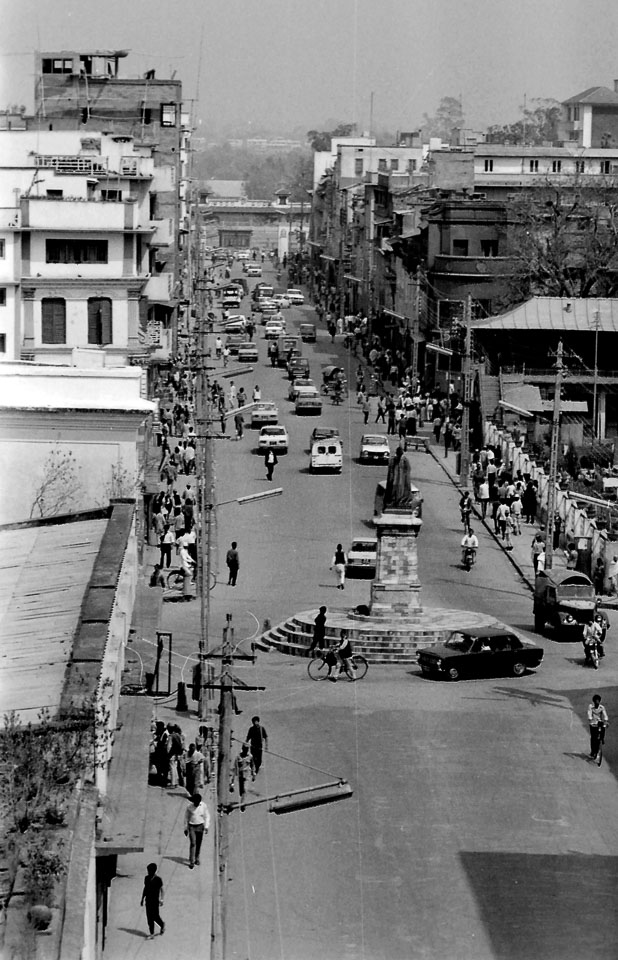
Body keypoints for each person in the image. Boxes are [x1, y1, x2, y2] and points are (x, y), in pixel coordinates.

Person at [184, 793, 210, 868]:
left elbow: (207, 816)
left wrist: (206, 826)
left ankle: (197, 858)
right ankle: (191, 861)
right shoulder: (189, 807)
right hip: (192, 826)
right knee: (193, 843)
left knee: (198, 843)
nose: (196, 804)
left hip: (200, 826)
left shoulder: (203, 806)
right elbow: (186, 817)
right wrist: (185, 828)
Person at [140, 862, 165, 939]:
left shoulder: (158, 880)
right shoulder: (146, 878)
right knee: (149, 917)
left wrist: (162, 899)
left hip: (155, 901)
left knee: (155, 916)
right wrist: (142, 898)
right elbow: (145, 889)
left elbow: (162, 890)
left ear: (154, 871)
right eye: (148, 871)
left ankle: (162, 925)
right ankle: (152, 933)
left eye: (150, 871)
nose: (148, 872)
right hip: (148, 901)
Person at [230, 743, 255, 811]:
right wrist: (232, 781)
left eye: (247, 749)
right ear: (242, 749)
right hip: (241, 776)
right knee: (241, 791)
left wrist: (253, 773)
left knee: (245, 789)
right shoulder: (238, 757)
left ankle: (242, 804)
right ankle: (242, 799)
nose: (246, 751)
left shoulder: (250, 756)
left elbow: (252, 765)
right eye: (245, 749)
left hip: (247, 775)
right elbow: (235, 768)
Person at [587, 694, 609, 760]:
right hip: (593, 723)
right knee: (593, 738)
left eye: (598, 701)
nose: (597, 703)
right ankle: (593, 751)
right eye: (596, 701)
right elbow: (589, 713)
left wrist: (606, 720)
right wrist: (590, 719)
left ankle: (602, 738)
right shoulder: (590, 706)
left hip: (599, 722)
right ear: (593, 701)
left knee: (603, 727)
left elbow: (605, 714)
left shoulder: (602, 707)